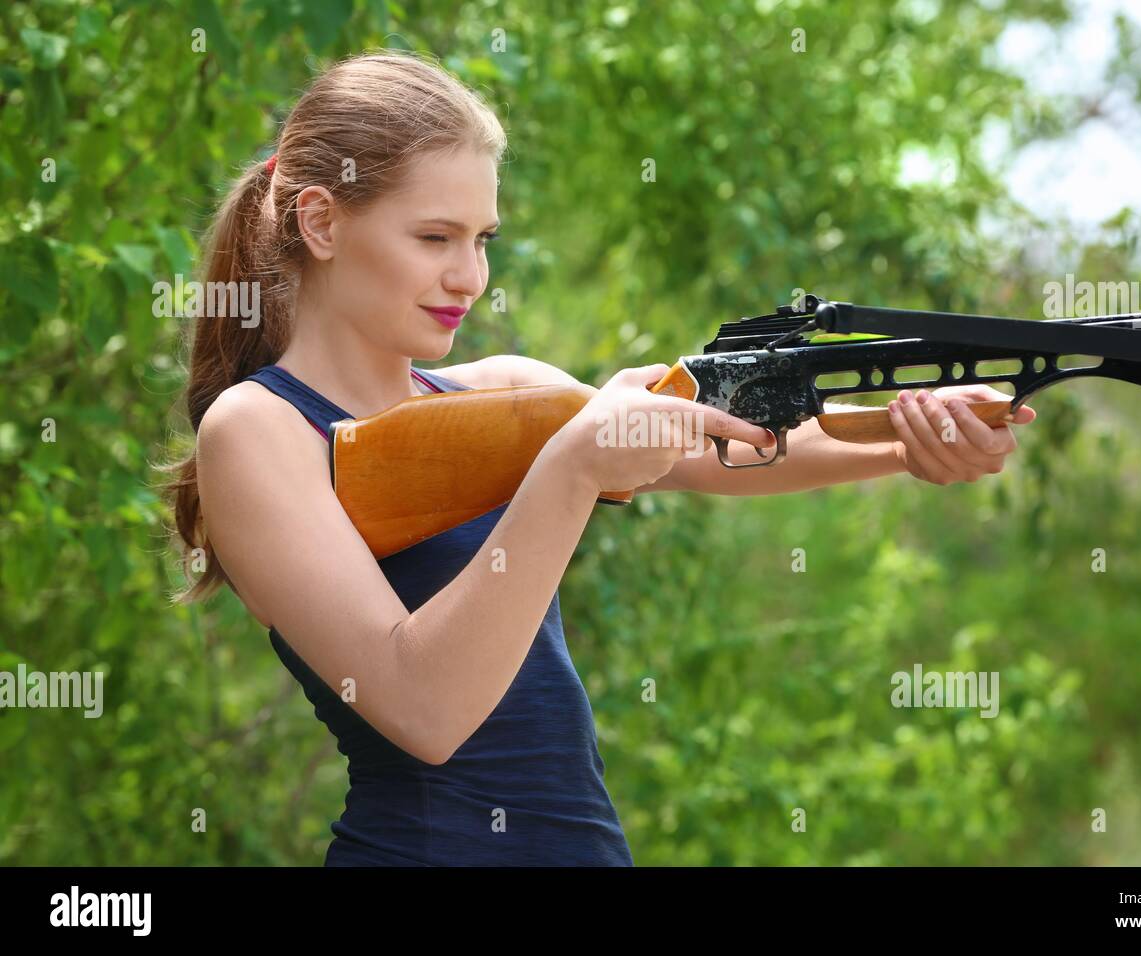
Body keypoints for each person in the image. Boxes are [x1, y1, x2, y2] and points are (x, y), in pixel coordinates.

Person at [163, 51, 1033, 866]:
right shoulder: (256, 429)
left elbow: (737, 442)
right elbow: (421, 708)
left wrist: (909, 433)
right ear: (320, 220)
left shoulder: (498, 389)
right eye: (435, 238)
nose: (470, 276)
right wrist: (571, 471)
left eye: (483, 239)